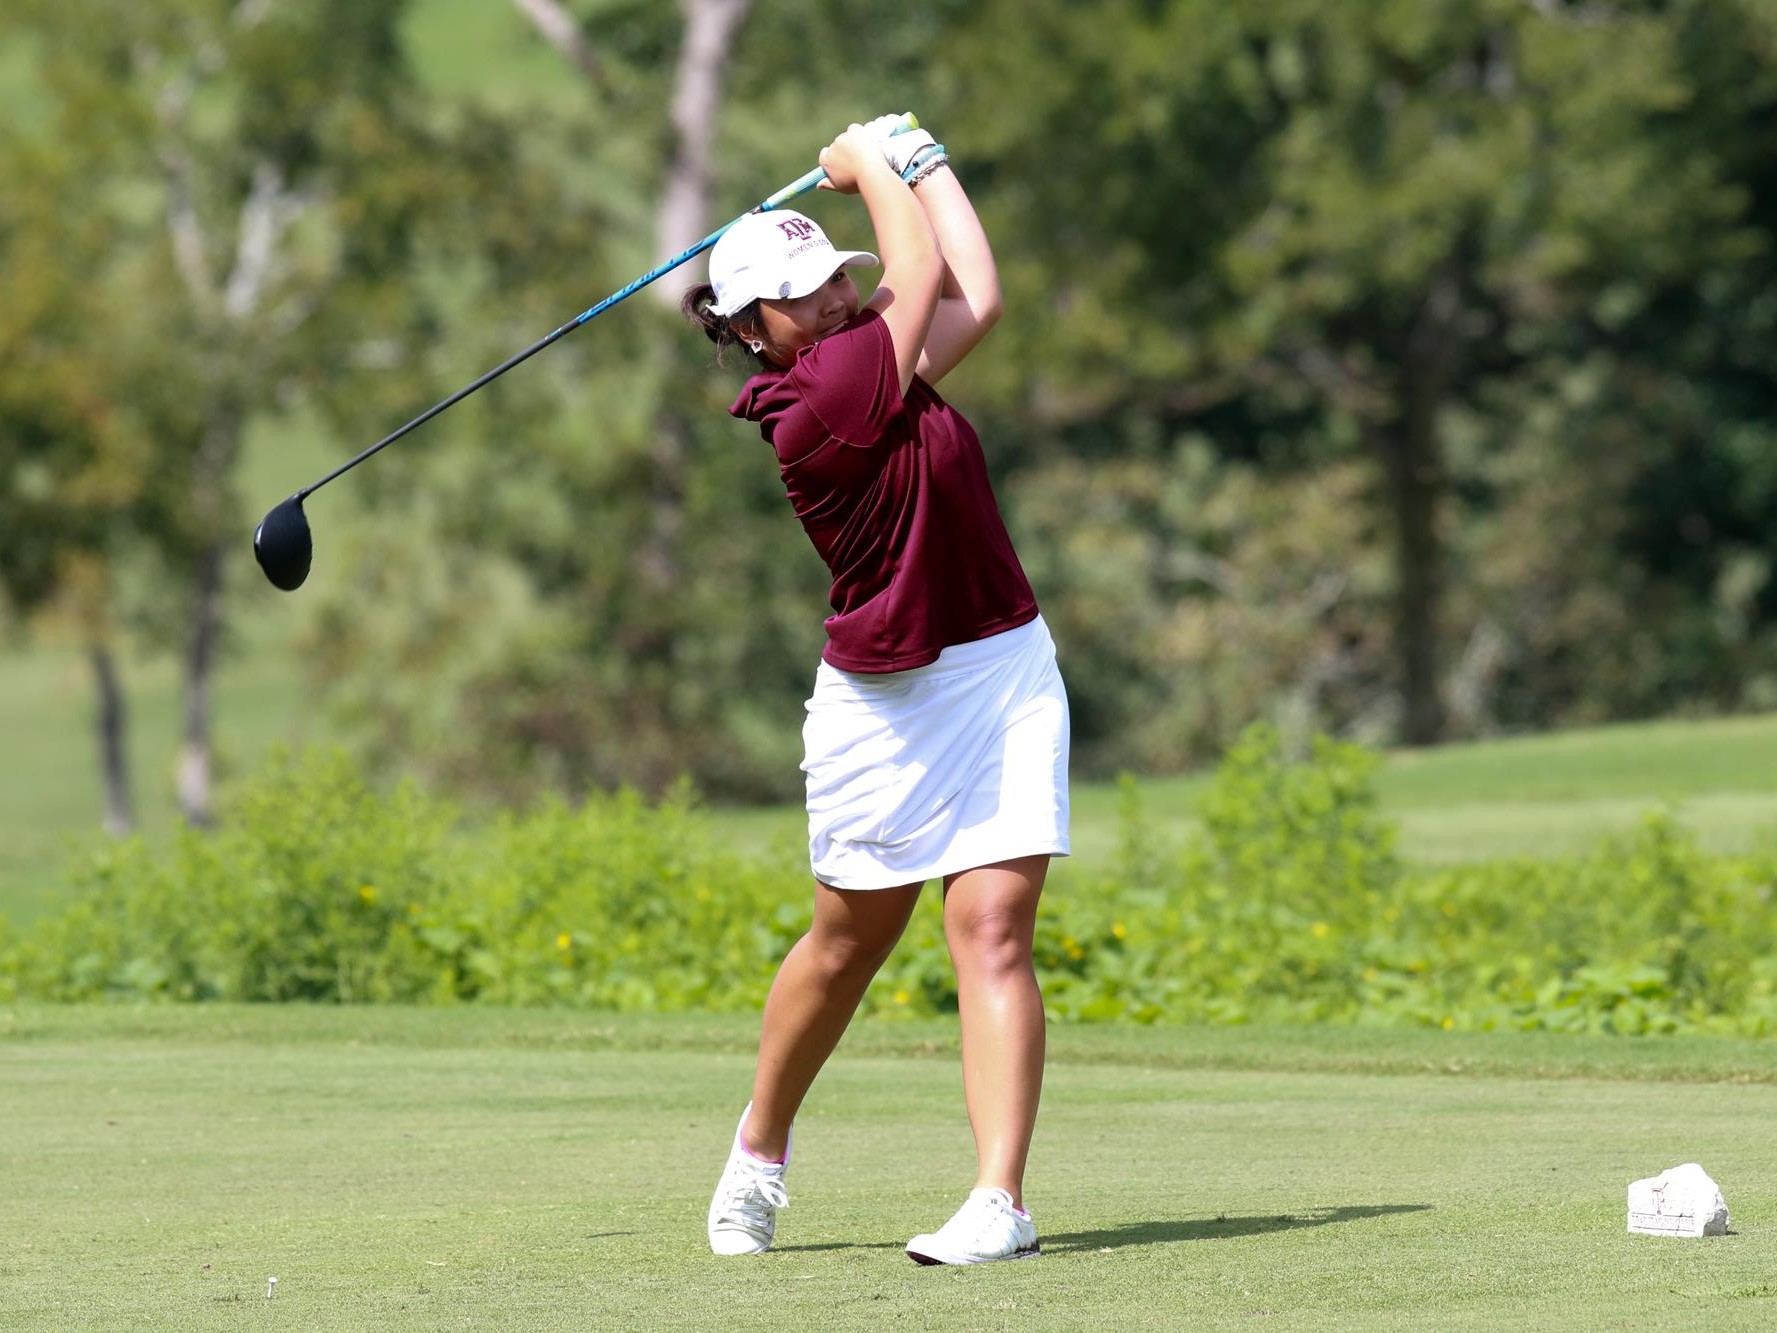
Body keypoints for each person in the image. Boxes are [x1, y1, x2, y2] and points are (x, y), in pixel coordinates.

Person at [680, 115, 1070, 1267]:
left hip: (1001, 665)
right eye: (801, 297)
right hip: (883, 705)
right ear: (752, 331)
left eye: (836, 281)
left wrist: (927, 163)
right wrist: (870, 169)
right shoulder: (816, 405)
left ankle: (998, 1200)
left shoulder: (870, 361)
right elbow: (917, 261)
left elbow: (976, 295)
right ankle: (759, 1148)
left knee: (989, 929)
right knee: (848, 942)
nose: (836, 300)